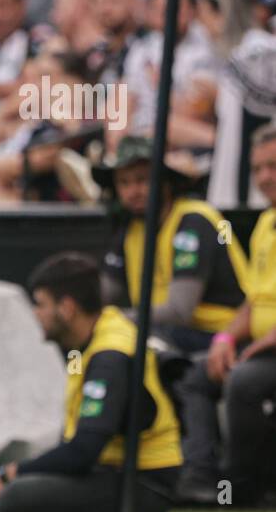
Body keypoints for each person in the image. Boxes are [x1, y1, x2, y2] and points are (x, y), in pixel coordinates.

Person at [0, 251, 183, 512]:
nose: (35, 314)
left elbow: (84, 452)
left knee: (13, 497)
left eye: (40, 304)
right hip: (101, 475)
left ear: (67, 308)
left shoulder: (111, 356)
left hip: (141, 485)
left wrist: (8, 475)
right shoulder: (88, 343)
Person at [176, 123, 276, 505]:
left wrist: (264, 344)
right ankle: (201, 477)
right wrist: (225, 338)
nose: (265, 177)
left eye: (274, 166)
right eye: (258, 169)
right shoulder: (266, 224)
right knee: (195, 374)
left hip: (270, 350)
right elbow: (253, 301)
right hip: (262, 345)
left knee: (244, 380)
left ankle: (241, 487)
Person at [95, 136, 249, 355]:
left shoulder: (193, 220)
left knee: (127, 340)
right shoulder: (132, 229)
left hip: (222, 336)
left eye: (142, 180)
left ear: (165, 182)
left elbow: (179, 312)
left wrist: (110, 319)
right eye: (124, 182)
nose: (133, 192)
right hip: (166, 330)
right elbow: (104, 292)